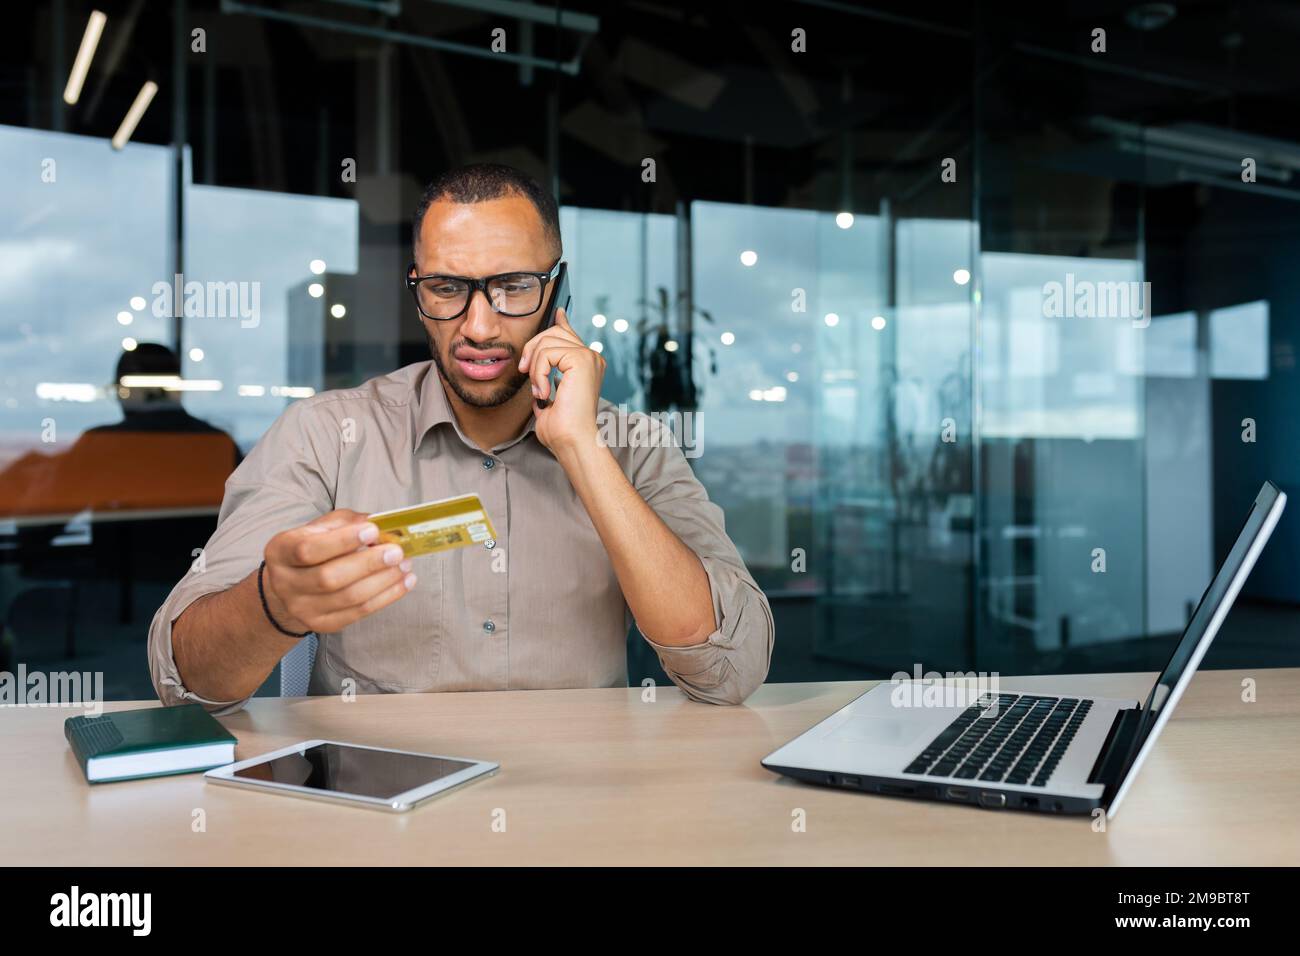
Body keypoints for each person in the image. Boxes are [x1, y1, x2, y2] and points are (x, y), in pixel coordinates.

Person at [148, 163, 773, 714]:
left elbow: (730, 671)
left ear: (556, 289)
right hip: (383, 815)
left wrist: (582, 447)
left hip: (578, 813)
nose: (478, 326)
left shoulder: (633, 444)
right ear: (419, 290)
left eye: (513, 287)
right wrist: (271, 605)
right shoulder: (325, 437)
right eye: (447, 289)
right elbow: (188, 684)